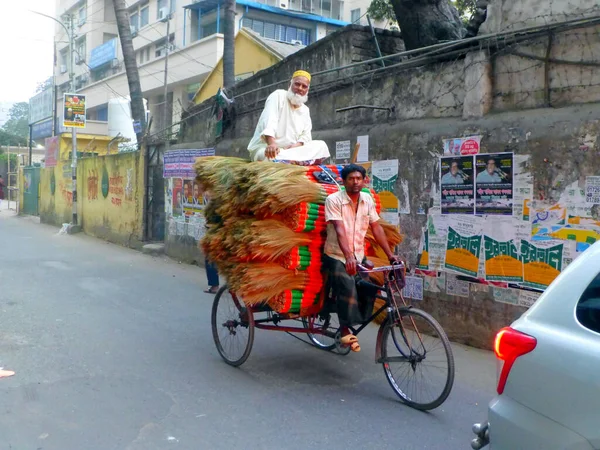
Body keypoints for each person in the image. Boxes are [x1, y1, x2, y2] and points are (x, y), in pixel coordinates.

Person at [323, 164, 403, 352]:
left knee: (369, 288)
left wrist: (391, 256)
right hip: (336, 255)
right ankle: (344, 329)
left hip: (359, 255)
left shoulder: (367, 200)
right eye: (351, 178)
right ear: (344, 182)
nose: (355, 182)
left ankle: (356, 320)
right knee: (348, 286)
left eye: (359, 178)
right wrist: (348, 256)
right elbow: (339, 229)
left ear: (364, 180)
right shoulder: (333, 200)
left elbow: (376, 228)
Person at [247, 70, 330, 165]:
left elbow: (306, 137)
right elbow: (269, 122)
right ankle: (295, 162)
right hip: (268, 149)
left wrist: (295, 146)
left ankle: (291, 161)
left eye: (304, 86)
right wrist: (272, 143)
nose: (300, 88)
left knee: (321, 145)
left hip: (291, 151)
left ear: (307, 90)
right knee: (269, 156)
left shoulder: (305, 110)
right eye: (297, 84)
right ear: (289, 85)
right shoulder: (278, 96)